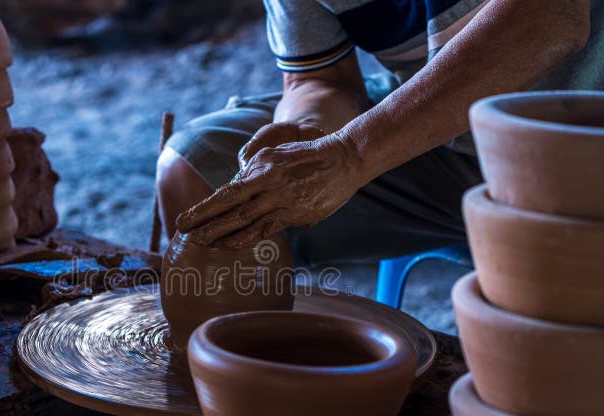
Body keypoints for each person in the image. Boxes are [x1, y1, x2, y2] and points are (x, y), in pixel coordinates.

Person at [156, 0, 600, 264]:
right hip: (440, 137)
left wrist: (352, 154)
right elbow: (320, 80)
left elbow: (549, 17)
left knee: (552, 346)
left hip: (578, 139)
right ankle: (229, 403)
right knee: (200, 173)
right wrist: (310, 136)